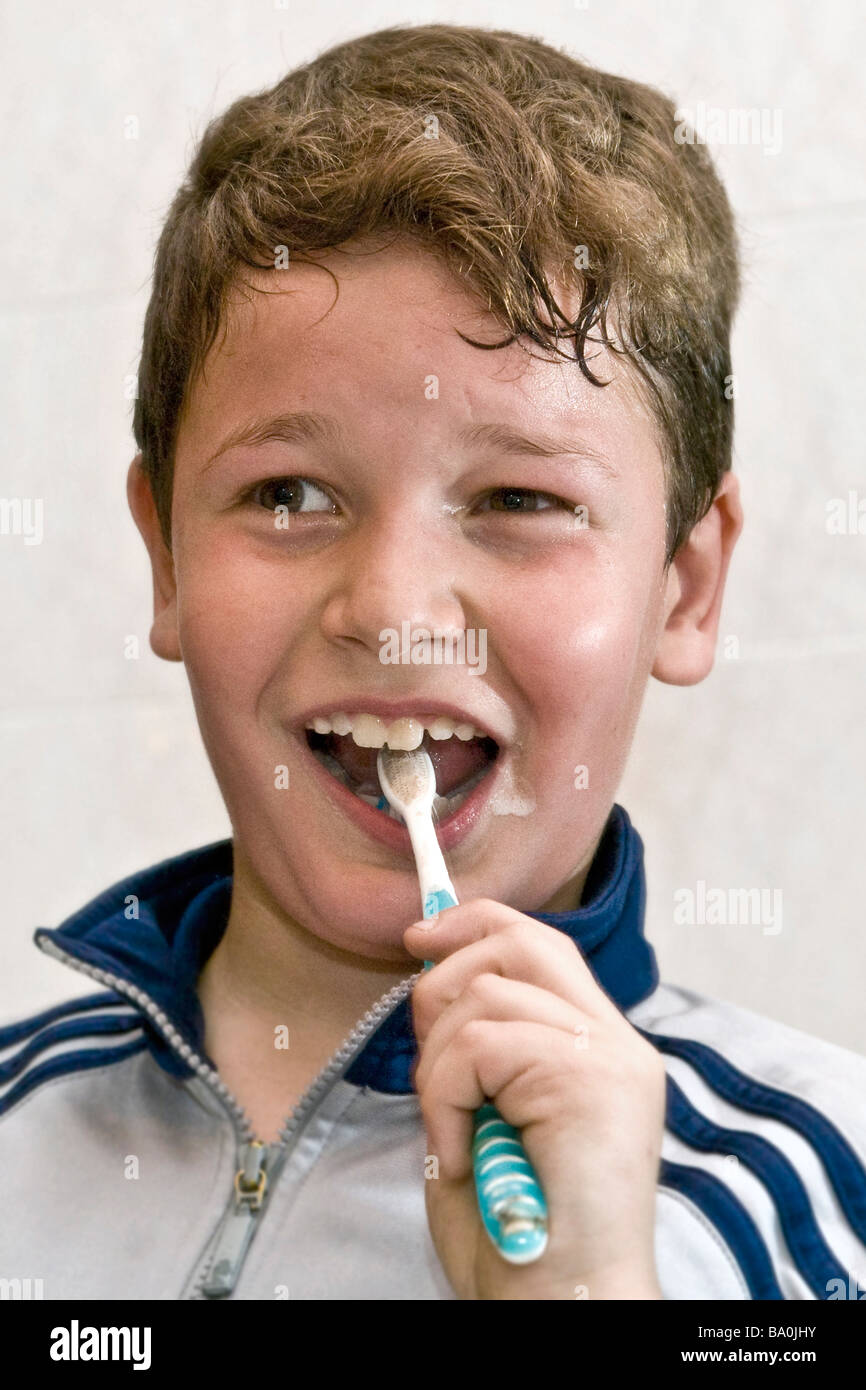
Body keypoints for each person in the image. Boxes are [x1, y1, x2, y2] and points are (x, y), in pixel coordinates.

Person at [3, 23, 864, 1301]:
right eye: (288, 491)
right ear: (166, 559)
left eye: (520, 499)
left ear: (682, 587)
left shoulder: (819, 1198)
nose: (395, 610)